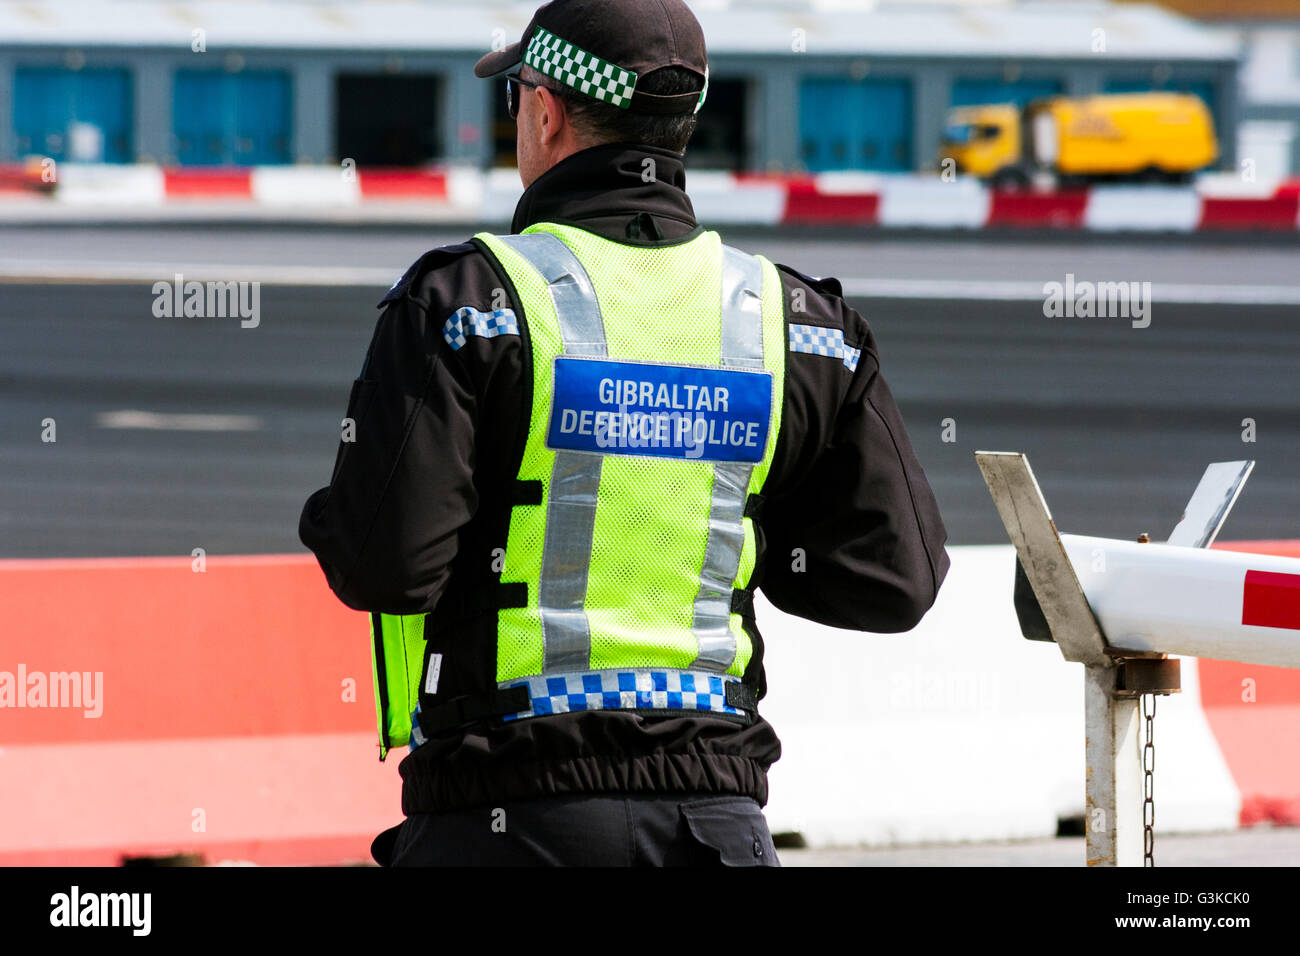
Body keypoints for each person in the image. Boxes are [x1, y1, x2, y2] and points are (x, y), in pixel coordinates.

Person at [299, 0, 950, 867]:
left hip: (504, 813)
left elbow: (386, 565)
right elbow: (893, 581)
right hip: (715, 824)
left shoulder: (465, 303)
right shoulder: (803, 323)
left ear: (547, 111)